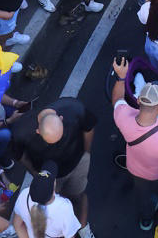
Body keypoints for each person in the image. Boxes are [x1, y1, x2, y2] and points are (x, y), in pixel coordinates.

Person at [111, 63, 158, 230]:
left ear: (138, 101)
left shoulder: (124, 116)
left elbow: (117, 99)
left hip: (136, 170)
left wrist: (121, 77)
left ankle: (146, 220)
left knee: (143, 196)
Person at [11, 99, 97, 232]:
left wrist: (86, 153)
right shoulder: (20, 131)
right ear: (38, 131)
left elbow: (89, 127)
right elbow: (20, 155)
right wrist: (35, 173)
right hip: (50, 176)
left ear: (61, 118)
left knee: (78, 195)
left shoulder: (74, 108)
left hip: (78, 163)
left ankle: (83, 227)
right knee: (52, 207)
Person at [12, 165, 81, 238]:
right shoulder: (64, 208)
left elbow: (18, 225)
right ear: (53, 190)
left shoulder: (24, 195)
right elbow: (71, 235)